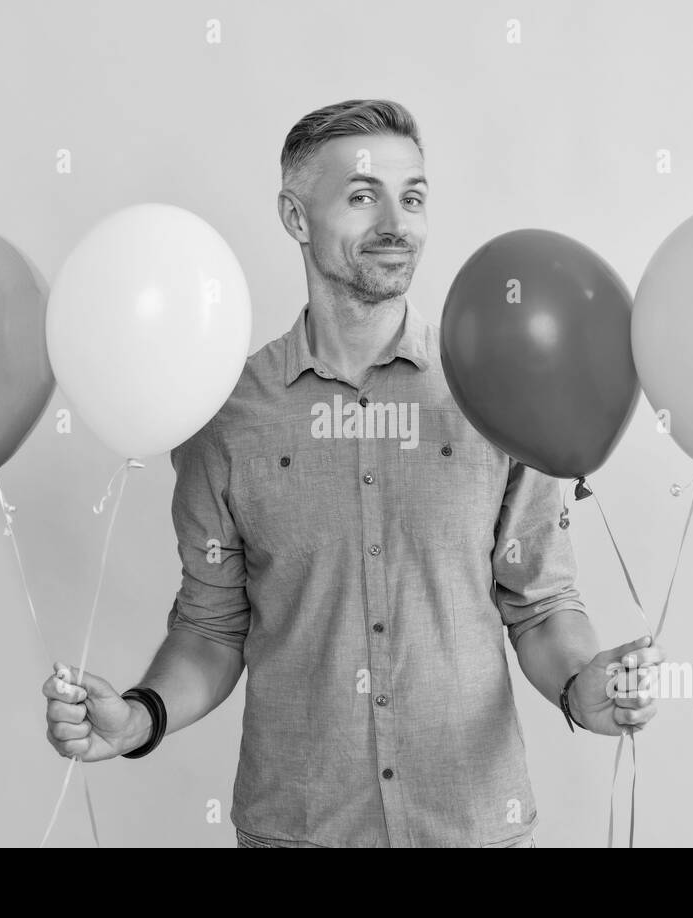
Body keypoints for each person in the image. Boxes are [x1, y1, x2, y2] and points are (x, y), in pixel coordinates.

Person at [42, 99, 661, 847]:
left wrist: (581, 683)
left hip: (474, 826)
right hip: (296, 829)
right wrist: (139, 718)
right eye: (364, 196)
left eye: (414, 196)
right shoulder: (227, 415)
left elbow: (539, 602)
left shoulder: (495, 389)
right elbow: (211, 623)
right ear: (296, 217)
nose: (396, 223)